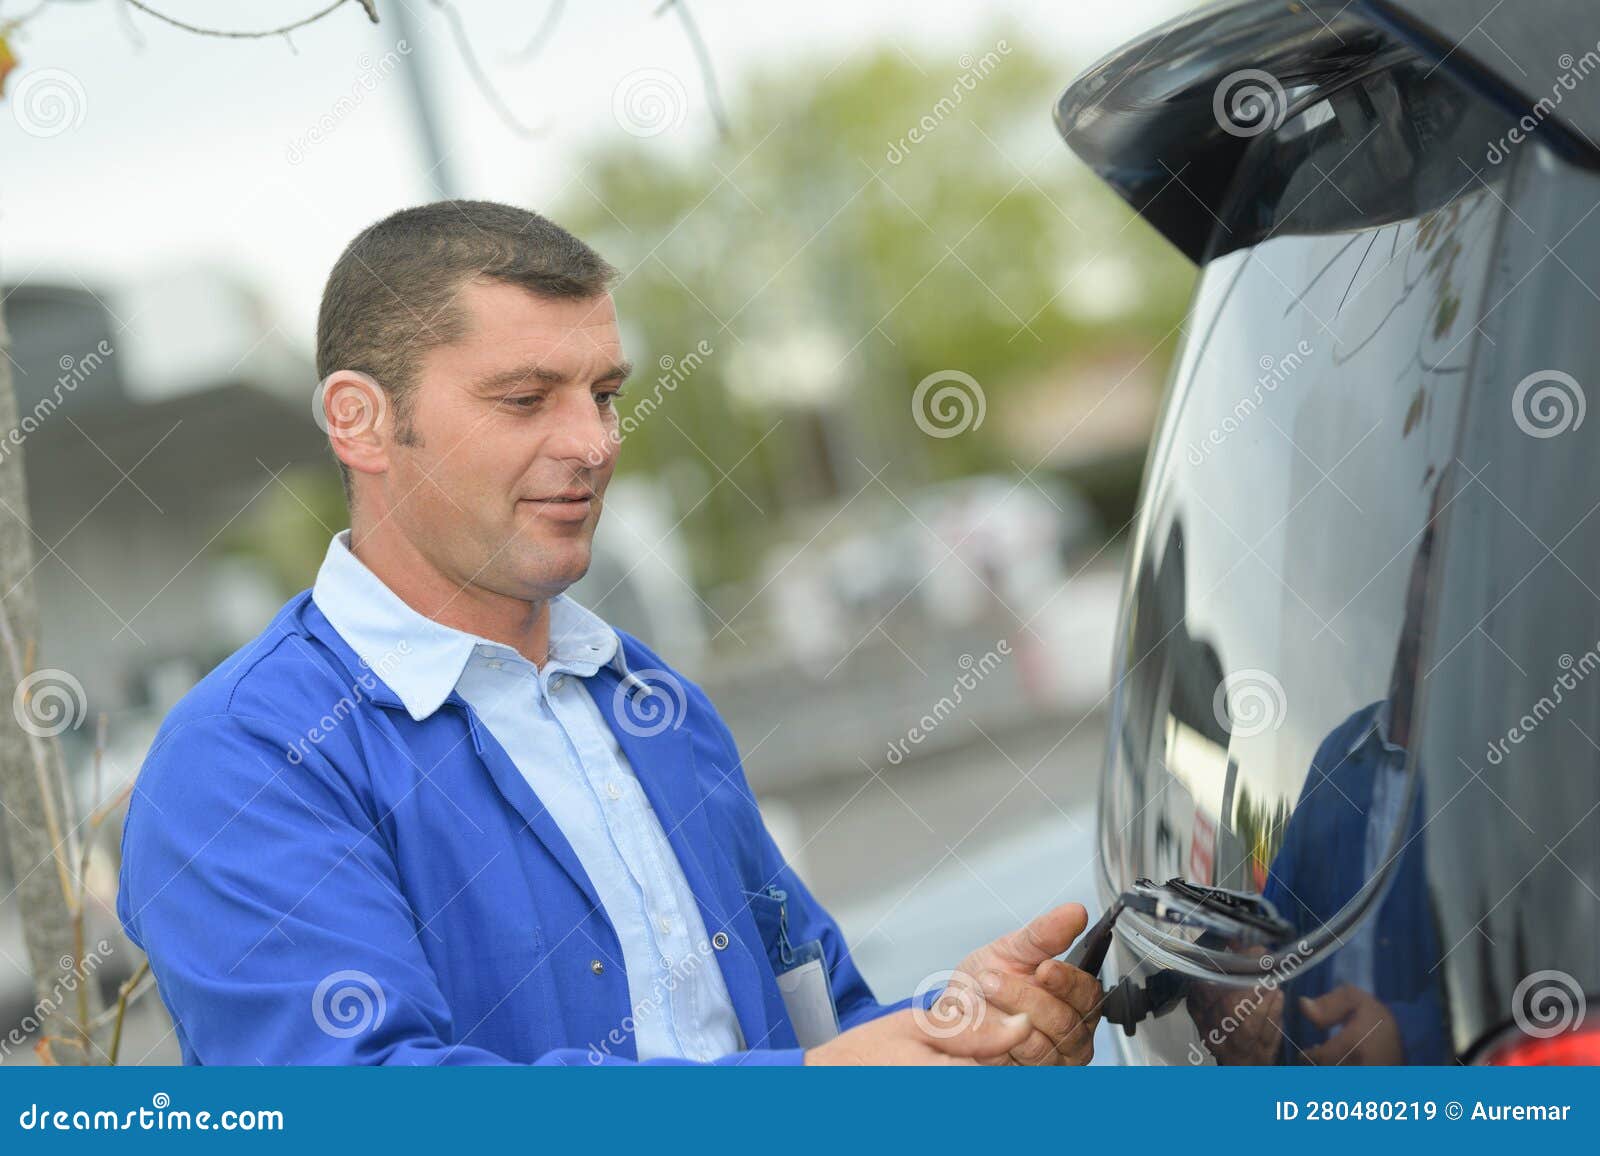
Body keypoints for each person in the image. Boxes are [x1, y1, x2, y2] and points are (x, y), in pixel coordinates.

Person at [116, 200, 1103, 1066]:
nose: (591, 442)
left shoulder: (653, 703)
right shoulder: (243, 764)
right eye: (524, 398)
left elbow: (812, 1027)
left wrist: (956, 1029)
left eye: (604, 394)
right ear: (360, 422)